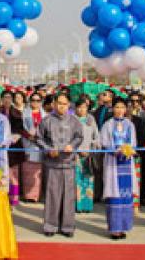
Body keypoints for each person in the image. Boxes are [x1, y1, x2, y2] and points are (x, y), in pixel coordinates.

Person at [37, 92, 83, 238]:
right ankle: (50, 225)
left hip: (68, 163)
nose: (61, 106)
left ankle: (67, 227)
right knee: (52, 195)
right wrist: (48, 149)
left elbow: (79, 137)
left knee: (68, 197)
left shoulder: (74, 121)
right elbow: (39, 138)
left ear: (68, 105)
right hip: (52, 164)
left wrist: (72, 145)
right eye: (59, 103)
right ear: (54, 104)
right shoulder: (46, 120)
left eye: (64, 104)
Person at [100, 96, 137, 240]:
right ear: (112, 108)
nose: (120, 110)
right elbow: (103, 142)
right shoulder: (108, 125)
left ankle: (124, 227)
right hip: (113, 163)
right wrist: (115, 150)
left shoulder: (130, 124)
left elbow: (133, 142)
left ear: (126, 109)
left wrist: (127, 149)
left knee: (126, 195)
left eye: (122, 107)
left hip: (126, 164)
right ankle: (114, 229)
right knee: (114, 196)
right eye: (117, 107)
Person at [74, 97, 99, 213]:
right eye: (79, 107)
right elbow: (69, 138)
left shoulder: (91, 119)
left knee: (88, 180)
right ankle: (78, 205)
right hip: (76, 155)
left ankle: (87, 206)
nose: (81, 109)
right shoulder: (72, 120)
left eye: (84, 107)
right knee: (77, 180)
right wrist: (78, 150)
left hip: (88, 155)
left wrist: (91, 149)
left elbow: (96, 137)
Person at [21, 92, 45, 202]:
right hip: (28, 143)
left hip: (40, 145)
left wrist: (39, 138)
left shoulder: (45, 115)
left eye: (38, 100)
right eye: (33, 100)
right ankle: (27, 196)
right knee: (27, 171)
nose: (35, 102)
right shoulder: (24, 113)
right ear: (30, 101)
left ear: (41, 102)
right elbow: (21, 128)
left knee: (37, 173)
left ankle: (36, 196)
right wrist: (29, 136)